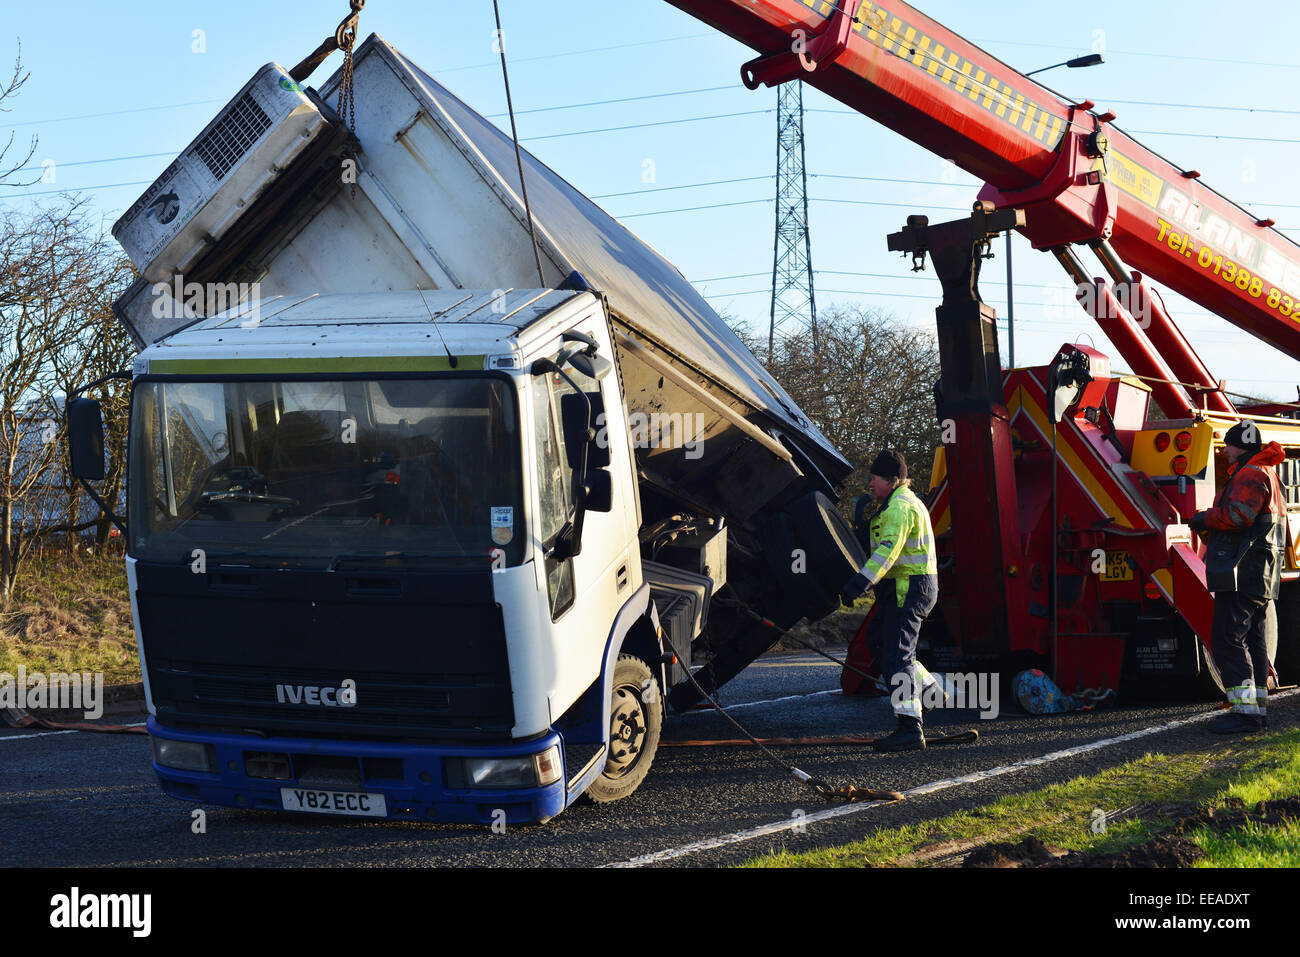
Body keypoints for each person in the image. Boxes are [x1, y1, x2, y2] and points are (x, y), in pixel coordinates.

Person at [1189, 421, 1286, 734]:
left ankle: (1245, 714)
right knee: (1254, 641)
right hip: (1259, 573)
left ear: (1238, 446)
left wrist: (1204, 518)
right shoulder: (1267, 472)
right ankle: (1256, 711)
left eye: (1228, 446)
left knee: (1228, 639)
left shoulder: (1250, 474)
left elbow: (1237, 517)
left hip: (1243, 571)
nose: (1226, 451)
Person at [841, 450, 938, 751]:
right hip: (907, 588)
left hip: (908, 589)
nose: (870, 484)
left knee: (897, 656)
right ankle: (930, 692)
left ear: (891, 480)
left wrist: (858, 584)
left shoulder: (899, 507)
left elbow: (887, 552)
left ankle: (910, 728)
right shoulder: (901, 503)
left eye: (874, 479)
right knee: (880, 643)